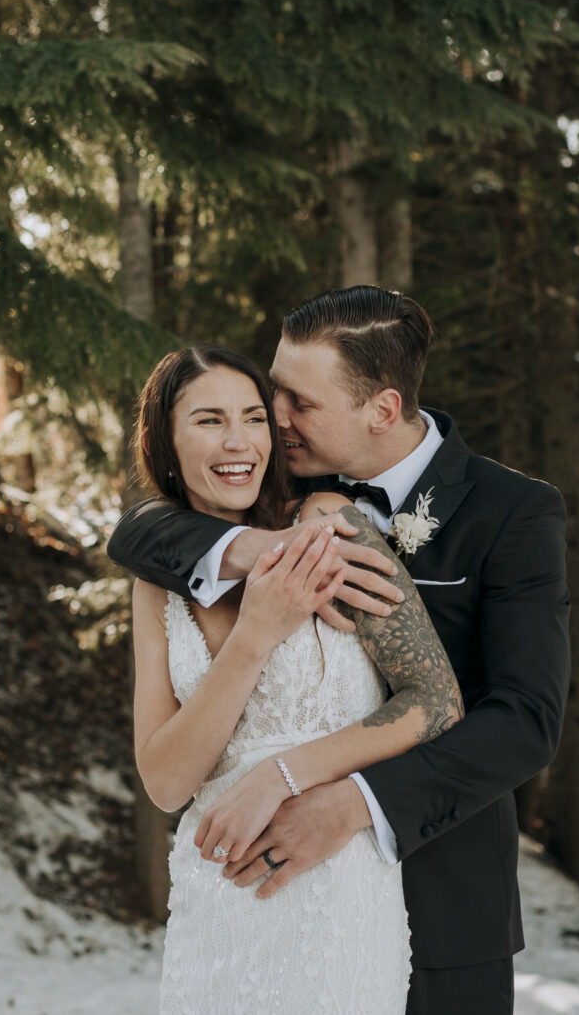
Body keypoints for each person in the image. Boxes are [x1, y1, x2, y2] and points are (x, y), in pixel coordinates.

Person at [109, 286, 571, 1015]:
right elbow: (141, 529)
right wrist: (266, 550)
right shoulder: (289, 482)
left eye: (295, 403)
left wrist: (354, 804)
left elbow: (525, 720)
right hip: (251, 899)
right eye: (273, 395)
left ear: (381, 410)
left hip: (445, 898)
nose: (273, 421)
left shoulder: (510, 511)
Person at [125, 344, 465, 1014]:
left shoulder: (329, 526)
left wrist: (281, 777)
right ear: (165, 438)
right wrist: (256, 633)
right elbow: (165, 783)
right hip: (218, 902)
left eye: (253, 418)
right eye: (208, 420)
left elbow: (434, 700)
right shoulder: (155, 584)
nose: (238, 441)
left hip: (336, 897)